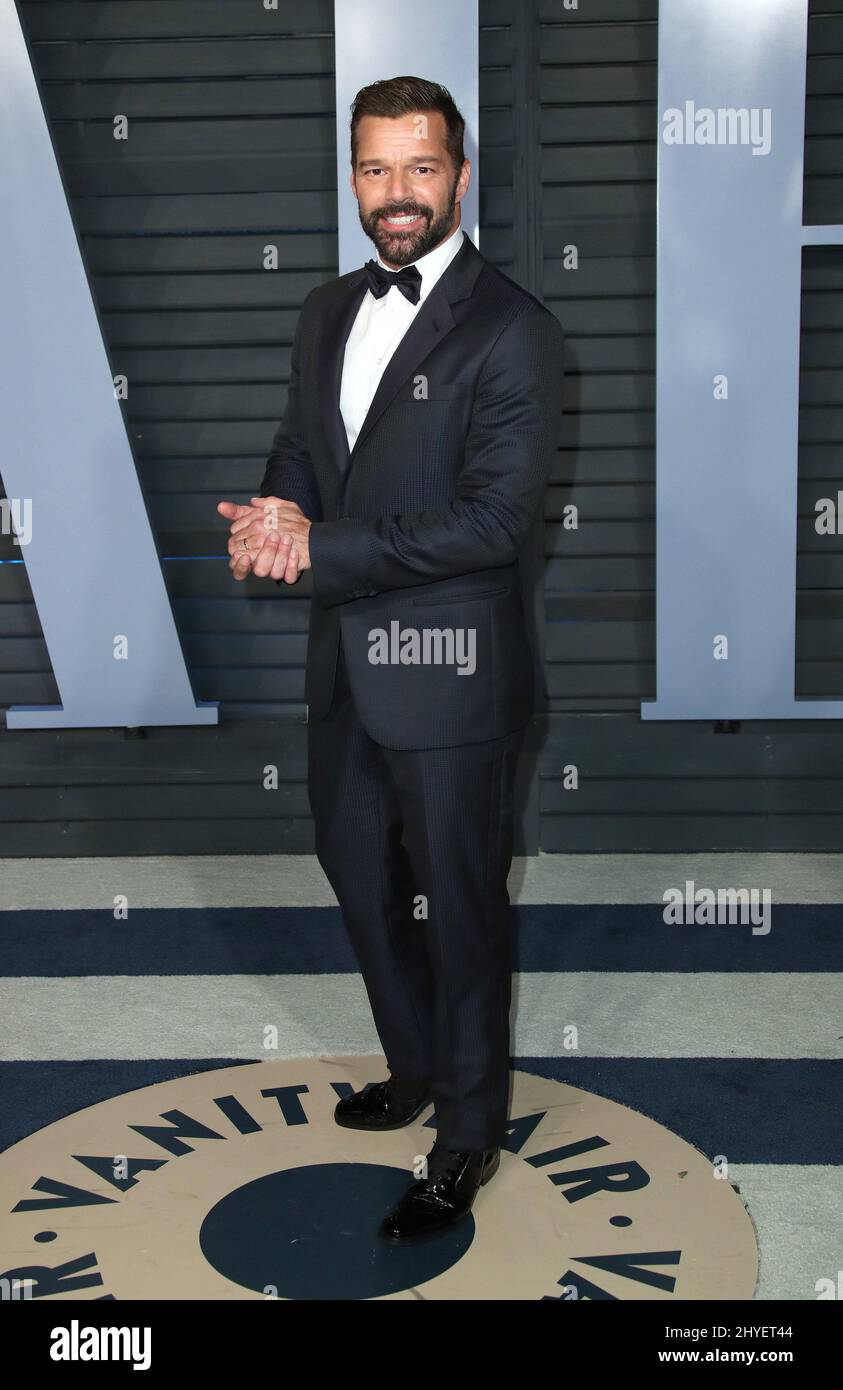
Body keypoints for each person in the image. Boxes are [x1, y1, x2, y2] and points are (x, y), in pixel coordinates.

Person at [218, 74, 564, 1242]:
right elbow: (303, 444)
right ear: (353, 177)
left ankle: (466, 1131)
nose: (397, 193)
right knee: (359, 875)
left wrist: (326, 546)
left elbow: (494, 521)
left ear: (461, 176)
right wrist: (278, 509)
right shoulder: (325, 309)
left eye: (421, 168)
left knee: (463, 909)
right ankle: (415, 1064)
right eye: (376, 169)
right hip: (344, 668)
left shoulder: (516, 328)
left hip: (455, 673)